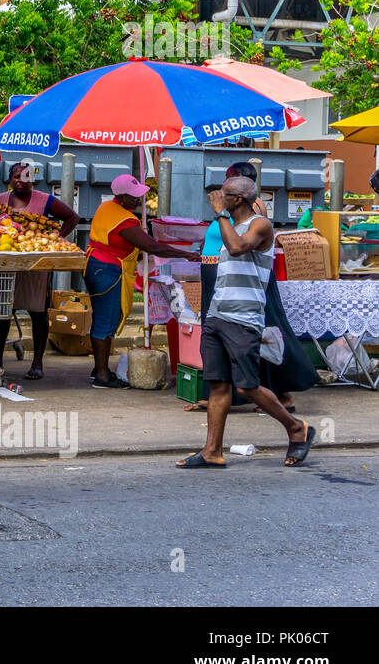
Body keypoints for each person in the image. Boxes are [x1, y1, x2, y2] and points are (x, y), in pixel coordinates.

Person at [176, 176, 314, 468]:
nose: (217, 198)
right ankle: (212, 450)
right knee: (218, 385)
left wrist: (220, 214)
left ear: (236, 200)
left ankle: (295, 428)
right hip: (217, 314)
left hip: (244, 317)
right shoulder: (227, 227)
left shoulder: (259, 225)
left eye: (223, 195)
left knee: (247, 386)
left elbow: (239, 248)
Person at [85, 174, 192, 388]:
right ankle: (103, 376)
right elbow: (153, 246)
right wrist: (187, 254)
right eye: (133, 197)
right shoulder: (124, 219)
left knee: (103, 318)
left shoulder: (107, 207)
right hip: (108, 269)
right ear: (121, 197)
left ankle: (99, 368)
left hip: (96, 265)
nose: (138, 201)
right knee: (107, 320)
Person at [0, 161, 79, 379]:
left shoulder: (44, 200)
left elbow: (72, 217)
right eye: (17, 176)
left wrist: (56, 238)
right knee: (4, 312)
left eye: (26, 176)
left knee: (37, 311)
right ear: (9, 179)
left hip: (37, 266)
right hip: (8, 265)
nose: (21, 181)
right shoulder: (0, 200)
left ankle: (38, 363)